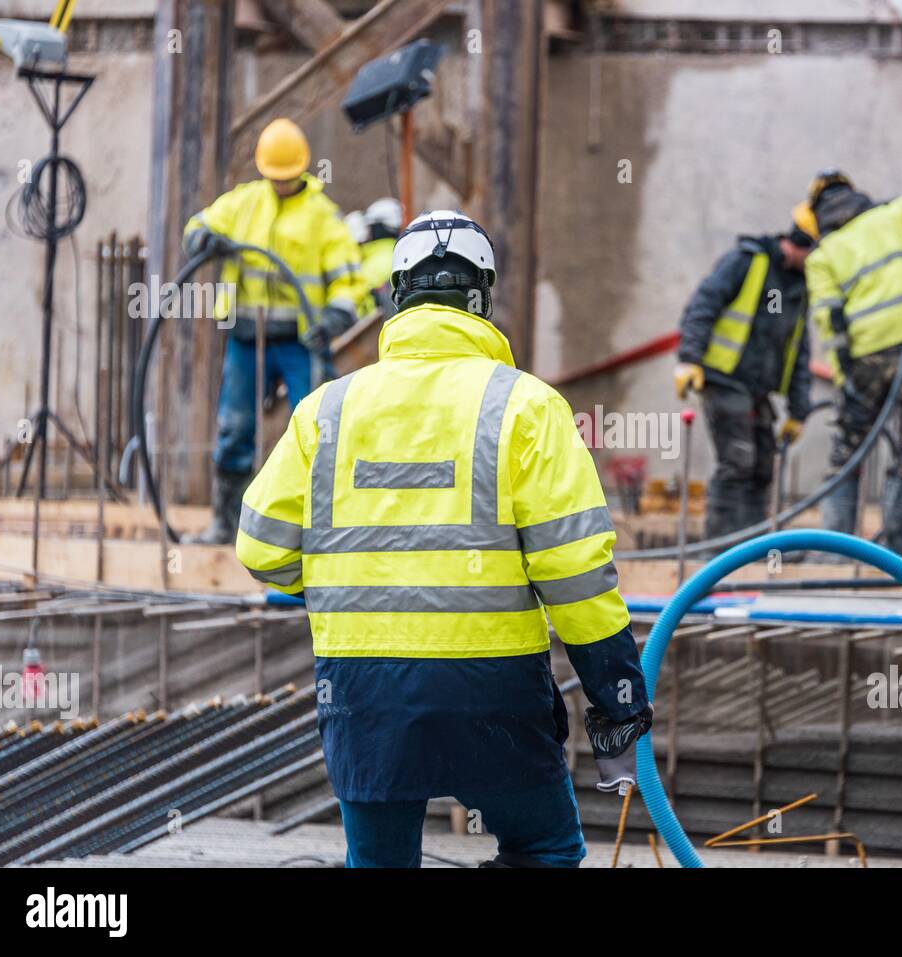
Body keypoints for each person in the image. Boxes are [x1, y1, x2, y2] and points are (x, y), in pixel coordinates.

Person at [235, 210, 652, 868]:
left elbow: (262, 547)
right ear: (482, 298)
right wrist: (615, 691)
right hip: (493, 690)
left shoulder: (328, 409)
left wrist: (346, 579)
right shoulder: (527, 406)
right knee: (545, 847)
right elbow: (576, 576)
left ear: (396, 297)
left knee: (379, 863)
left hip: (363, 691)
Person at [183, 118, 366, 544]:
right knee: (234, 427)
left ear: (300, 171)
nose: (280, 185)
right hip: (248, 338)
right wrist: (205, 241)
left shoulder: (323, 217)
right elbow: (196, 227)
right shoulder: (244, 203)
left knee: (318, 430)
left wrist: (336, 317)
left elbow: (348, 277)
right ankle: (226, 524)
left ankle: (317, 529)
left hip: (301, 340)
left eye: (286, 178)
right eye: (273, 178)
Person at [804, 169, 902, 557]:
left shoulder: (823, 255)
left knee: (849, 449)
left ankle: (833, 553)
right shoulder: (895, 213)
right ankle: (896, 548)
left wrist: (846, 380)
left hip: (864, 359)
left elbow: (830, 321)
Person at [674, 216, 814, 539]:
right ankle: (718, 552)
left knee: (763, 467)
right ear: (796, 245)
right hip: (723, 378)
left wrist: (798, 410)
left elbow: (798, 350)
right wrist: (688, 359)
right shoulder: (747, 261)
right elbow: (703, 304)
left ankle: (750, 549)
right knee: (737, 461)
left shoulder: (798, 284)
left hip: (757, 389)